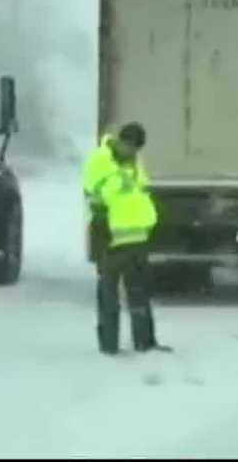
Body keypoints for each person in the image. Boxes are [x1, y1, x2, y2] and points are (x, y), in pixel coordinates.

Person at [81, 122, 170, 355]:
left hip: (137, 238)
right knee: (109, 295)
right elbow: (92, 192)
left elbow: (140, 193)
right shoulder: (100, 161)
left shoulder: (135, 162)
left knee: (140, 293)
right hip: (111, 238)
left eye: (137, 148)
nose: (133, 152)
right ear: (121, 141)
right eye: (130, 146)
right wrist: (102, 222)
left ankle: (145, 342)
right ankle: (109, 345)